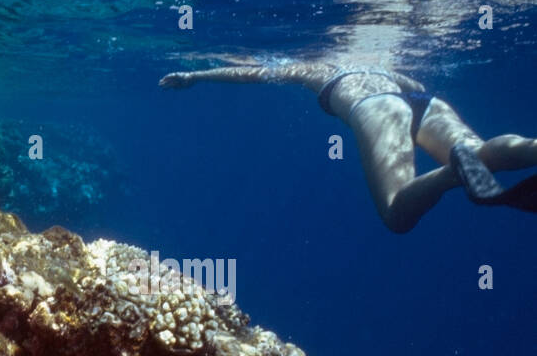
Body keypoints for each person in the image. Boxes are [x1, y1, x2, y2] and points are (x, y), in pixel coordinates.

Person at [159, 63, 537, 232]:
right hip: (425, 100)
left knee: (397, 215)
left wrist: (196, 76)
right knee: (483, 151)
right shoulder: (387, 65)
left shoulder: (312, 66)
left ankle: (450, 174)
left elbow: (253, 73)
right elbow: (415, 92)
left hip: (377, 107)